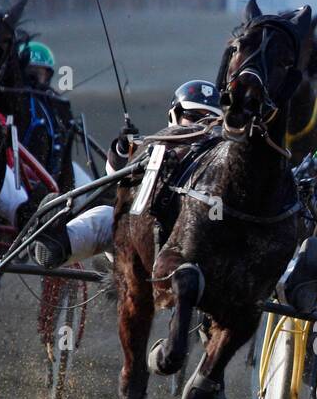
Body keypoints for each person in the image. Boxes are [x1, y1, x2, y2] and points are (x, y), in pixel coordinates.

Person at [30, 80, 221, 270]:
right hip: (140, 239)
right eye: (194, 116)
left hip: (196, 246)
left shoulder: (220, 163)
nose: (202, 126)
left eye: (211, 120)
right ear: (175, 115)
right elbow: (115, 175)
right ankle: (54, 245)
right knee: (105, 217)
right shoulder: (155, 146)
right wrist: (122, 149)